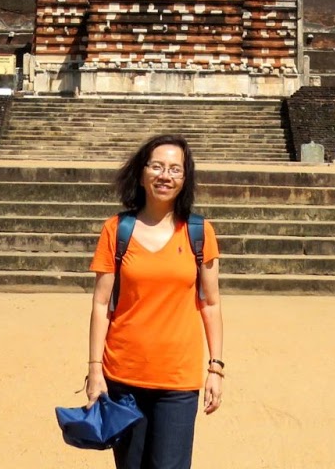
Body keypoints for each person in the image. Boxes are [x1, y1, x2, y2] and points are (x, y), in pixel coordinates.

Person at [86, 134, 224, 469]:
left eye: (175, 169)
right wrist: (94, 370)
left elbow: (211, 304)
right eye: (157, 166)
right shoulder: (116, 230)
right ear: (142, 172)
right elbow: (101, 304)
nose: (165, 176)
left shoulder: (199, 231)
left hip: (177, 380)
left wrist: (216, 368)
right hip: (123, 374)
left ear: (185, 178)